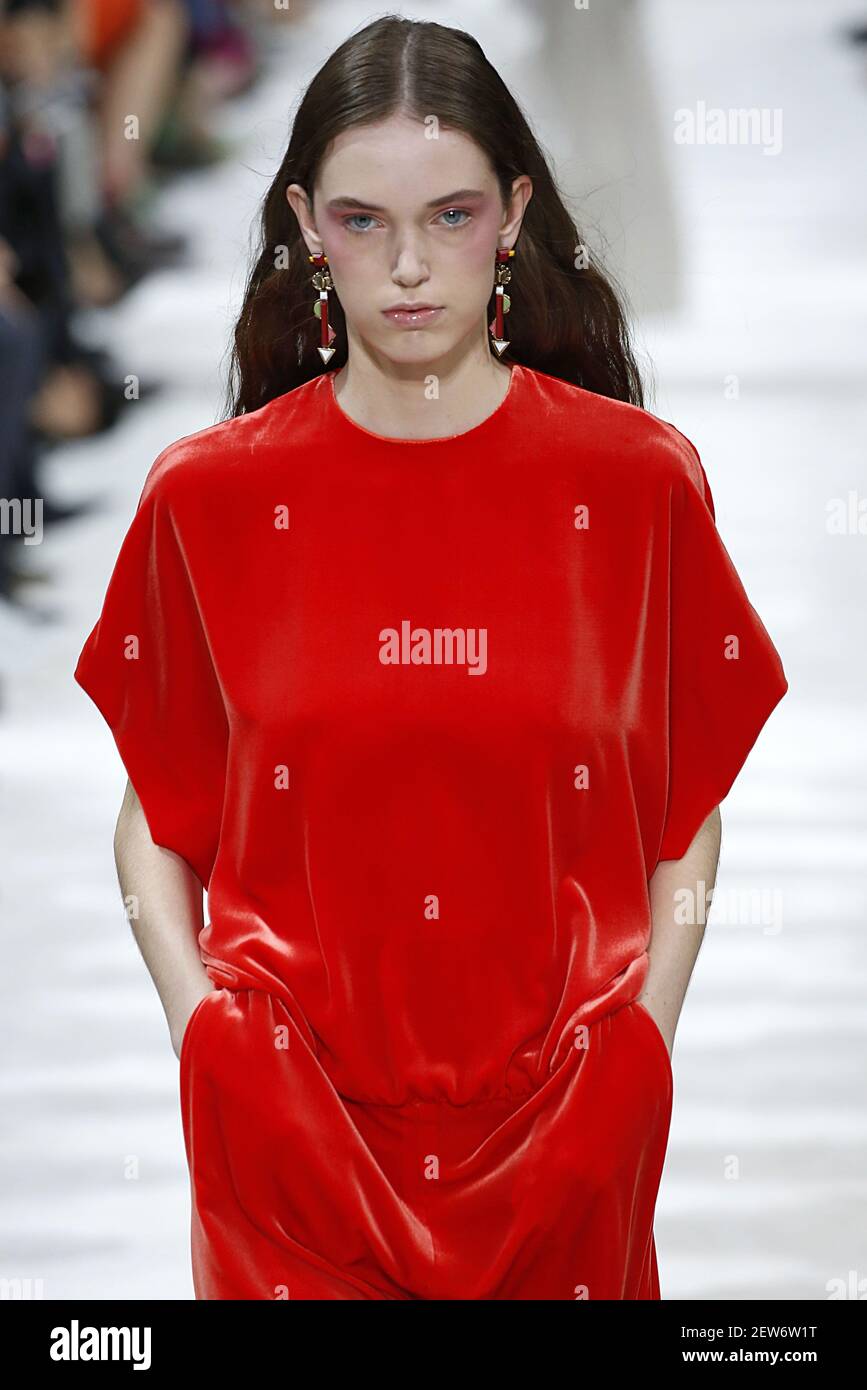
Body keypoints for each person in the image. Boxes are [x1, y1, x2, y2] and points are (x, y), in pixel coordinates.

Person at [73, 15, 788, 1301]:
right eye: (361, 221)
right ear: (305, 223)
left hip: (562, 1142)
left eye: (450, 216)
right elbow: (155, 815)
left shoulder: (631, 484)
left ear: (514, 212)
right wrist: (207, 1040)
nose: (408, 266)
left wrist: (640, 1048)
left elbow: (687, 801)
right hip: (290, 1150)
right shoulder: (211, 501)